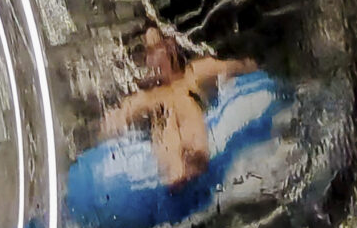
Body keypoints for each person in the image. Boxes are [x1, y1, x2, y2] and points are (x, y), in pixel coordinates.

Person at [100, 25, 259, 189]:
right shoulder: (147, 96)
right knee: (164, 116)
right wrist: (115, 120)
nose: (150, 58)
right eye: (146, 52)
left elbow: (235, 66)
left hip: (192, 118)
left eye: (154, 49)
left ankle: (194, 155)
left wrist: (246, 66)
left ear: (171, 47)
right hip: (165, 128)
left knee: (184, 103)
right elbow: (123, 113)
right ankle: (175, 170)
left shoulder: (194, 72)